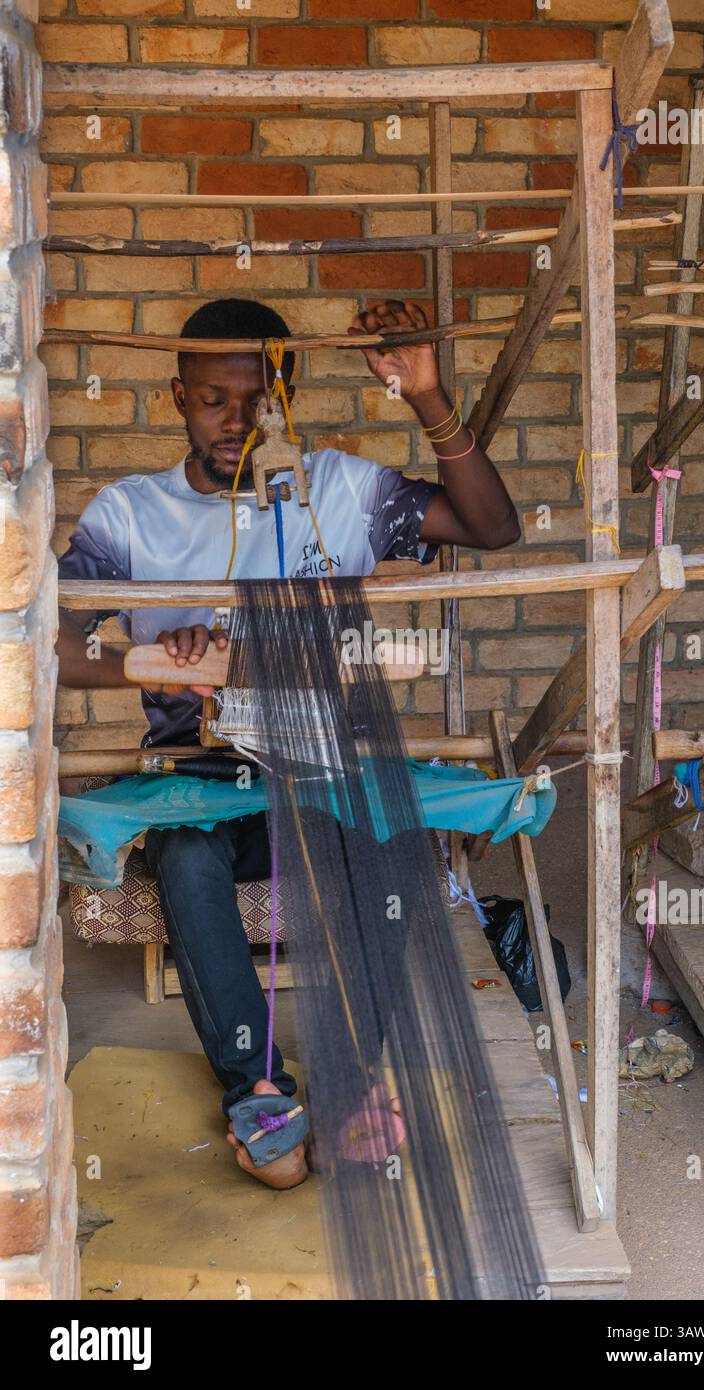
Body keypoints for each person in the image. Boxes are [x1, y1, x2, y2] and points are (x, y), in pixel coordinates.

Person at [57, 295, 520, 1189]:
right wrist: (148, 662)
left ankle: (353, 1086)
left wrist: (428, 397)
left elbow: (490, 529)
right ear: (176, 398)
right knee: (187, 859)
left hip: (323, 771)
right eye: (210, 400)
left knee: (378, 839)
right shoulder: (130, 514)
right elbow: (49, 639)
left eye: (256, 400)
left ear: (287, 392)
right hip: (203, 779)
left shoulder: (340, 491)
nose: (235, 422)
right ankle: (257, 1089)